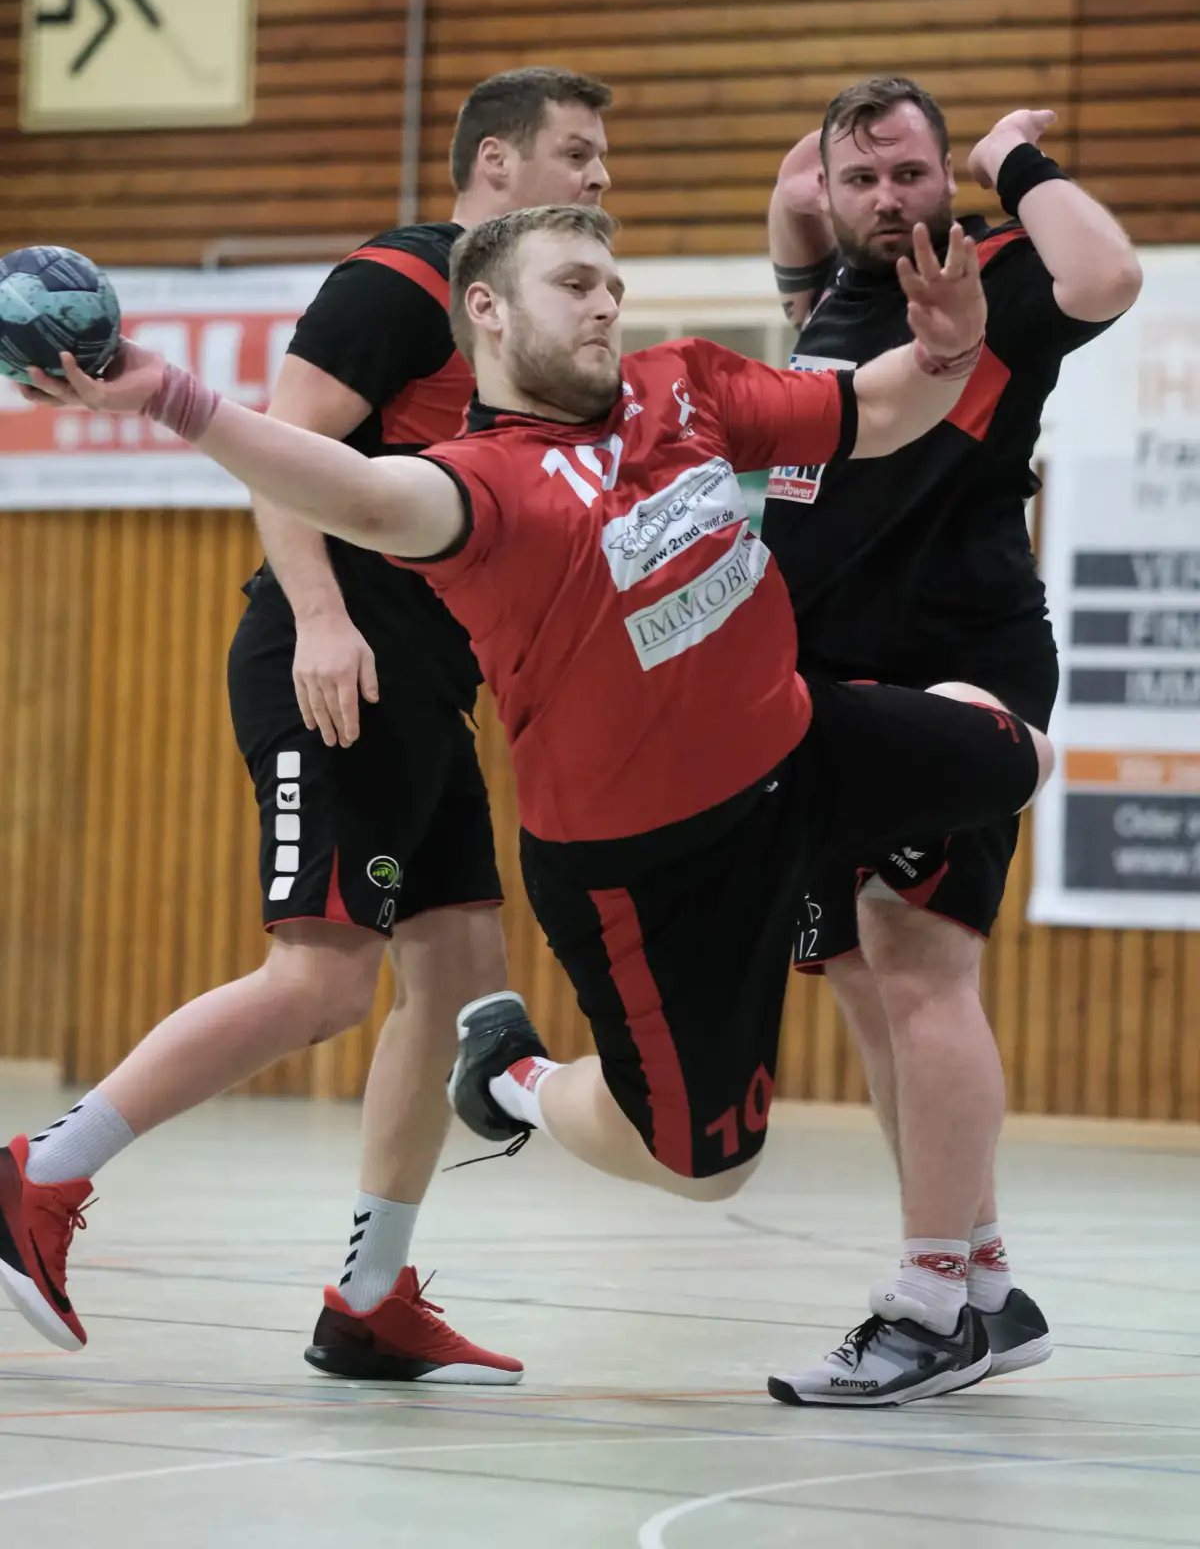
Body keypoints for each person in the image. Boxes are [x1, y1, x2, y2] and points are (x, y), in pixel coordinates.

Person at [11, 202, 1055, 1408]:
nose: (606, 301)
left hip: (801, 747)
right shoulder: (480, 486)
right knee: (707, 1167)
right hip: (654, 863)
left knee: (1021, 754)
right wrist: (170, 397)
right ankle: (514, 1077)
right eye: (574, 282)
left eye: (613, 281)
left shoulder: (685, 387)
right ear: (489, 311)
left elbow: (872, 410)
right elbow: (354, 491)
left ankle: (961, 1272)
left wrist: (945, 349)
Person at [0, 68, 612, 1385]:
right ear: (495, 164)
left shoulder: (521, 332)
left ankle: (369, 1299)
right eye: (576, 152)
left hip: (427, 687)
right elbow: (280, 445)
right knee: (324, 980)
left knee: (455, 987)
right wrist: (325, 616)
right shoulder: (401, 280)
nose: (599, 176)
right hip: (335, 660)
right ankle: (37, 1174)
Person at [760, 76, 1142, 1400]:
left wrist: (1009, 157)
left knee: (923, 968)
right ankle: (983, 1285)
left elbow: (1112, 273)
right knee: (867, 980)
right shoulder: (831, 297)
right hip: (821, 688)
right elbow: (795, 211)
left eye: (911, 174)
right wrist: (813, 185)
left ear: (946, 181)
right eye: (861, 178)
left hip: (952, 678)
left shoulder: (996, 277)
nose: (887, 199)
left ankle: (928, 1304)